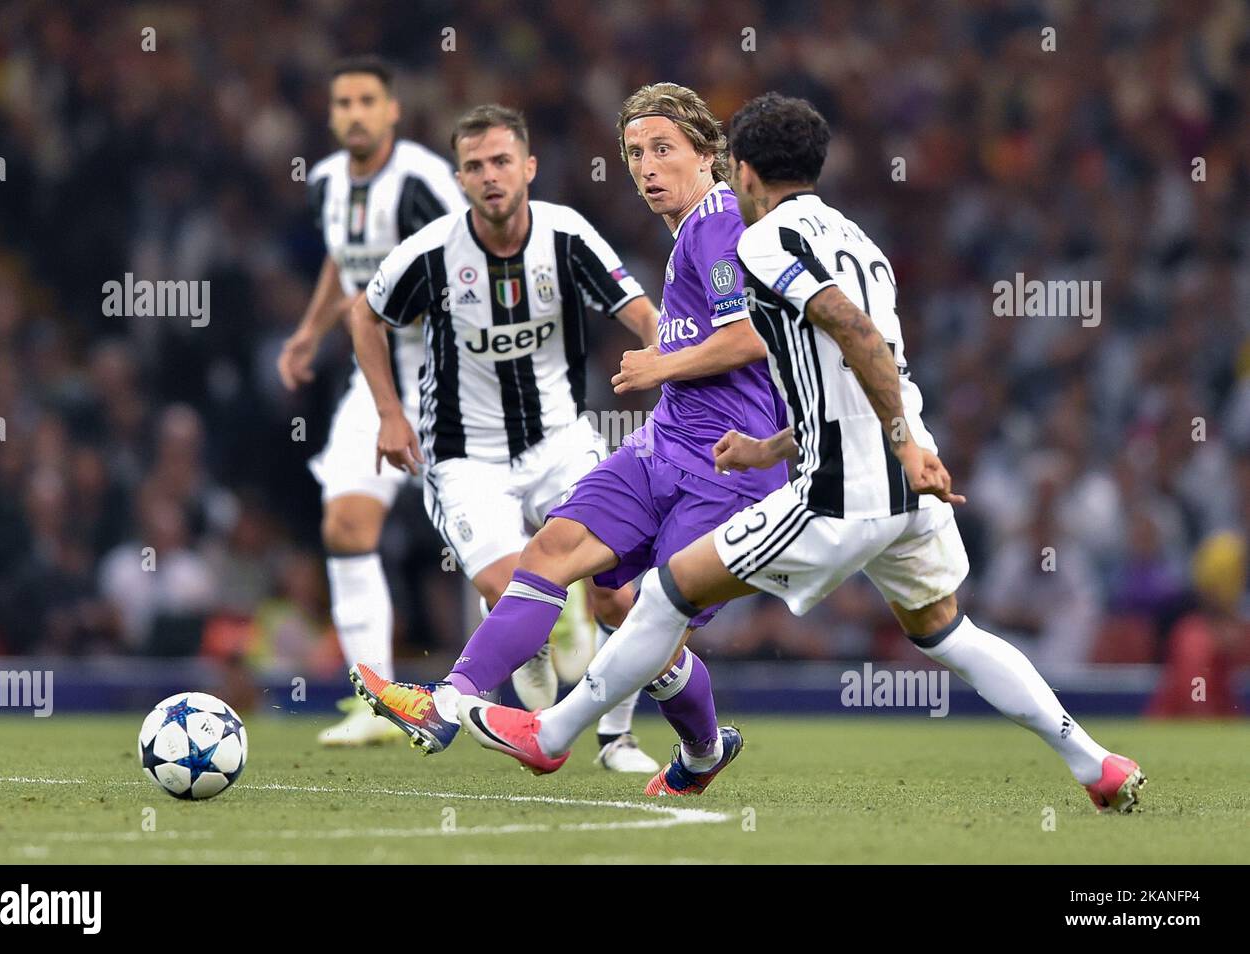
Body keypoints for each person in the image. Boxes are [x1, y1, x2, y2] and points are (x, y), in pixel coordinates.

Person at [460, 93, 1147, 813]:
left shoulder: (763, 240)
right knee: (948, 632)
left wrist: (899, 443)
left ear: (743, 169)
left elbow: (852, 333)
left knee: (664, 589)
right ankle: (1093, 762)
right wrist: (779, 446)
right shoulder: (859, 243)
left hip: (848, 485)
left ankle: (553, 732)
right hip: (905, 480)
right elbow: (842, 369)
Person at [350, 84, 789, 779]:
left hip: (727, 469)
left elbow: (751, 338)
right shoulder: (692, 228)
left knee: (650, 621)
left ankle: (692, 748)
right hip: (664, 445)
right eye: (636, 153)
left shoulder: (719, 222)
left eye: (664, 149)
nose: (647, 167)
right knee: (551, 550)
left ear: (708, 153)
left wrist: (660, 365)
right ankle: (448, 703)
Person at [277, 56, 467, 746]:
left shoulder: (419, 179)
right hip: (376, 369)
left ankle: (500, 681)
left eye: (368, 101)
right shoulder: (327, 181)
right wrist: (308, 333)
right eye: (344, 102)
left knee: (481, 539)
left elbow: (470, 250)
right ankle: (376, 700)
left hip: (452, 371)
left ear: (392, 111)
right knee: (346, 527)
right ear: (332, 115)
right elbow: (340, 259)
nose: (355, 112)